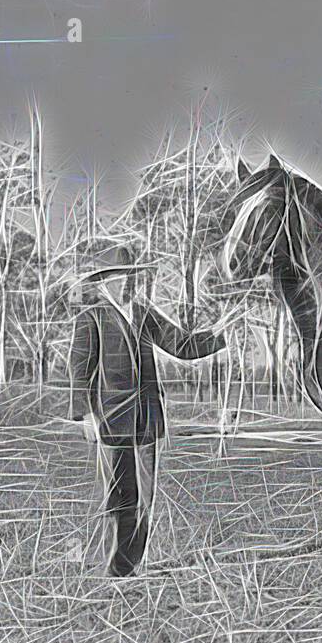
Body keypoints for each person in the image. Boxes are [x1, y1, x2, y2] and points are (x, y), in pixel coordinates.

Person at [69, 247, 224, 576]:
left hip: (147, 420)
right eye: (117, 276)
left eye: (130, 275)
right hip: (110, 420)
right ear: (102, 282)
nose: (126, 282)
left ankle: (126, 567)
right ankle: (104, 565)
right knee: (118, 496)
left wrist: (224, 334)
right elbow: (79, 367)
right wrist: (84, 414)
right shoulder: (91, 316)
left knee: (144, 499)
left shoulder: (145, 313)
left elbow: (182, 346)